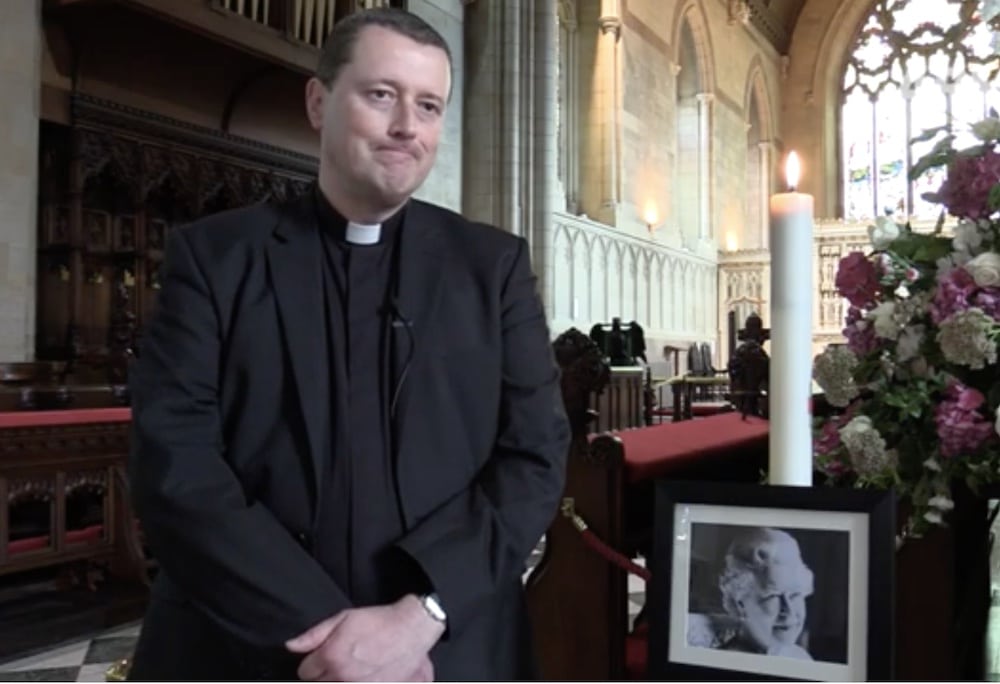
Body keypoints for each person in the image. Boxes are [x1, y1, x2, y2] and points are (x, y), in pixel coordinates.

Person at [126, 7, 570, 681]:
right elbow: (175, 465)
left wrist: (420, 616)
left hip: (448, 650)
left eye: (429, 105)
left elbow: (534, 455)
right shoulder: (215, 258)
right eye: (381, 95)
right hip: (248, 646)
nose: (406, 127)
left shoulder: (492, 268)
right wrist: (337, 644)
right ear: (318, 100)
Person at [687, 527, 814, 660]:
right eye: (773, 596)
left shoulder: (801, 657)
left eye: (795, 595)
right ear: (738, 604)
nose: (789, 611)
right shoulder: (725, 662)